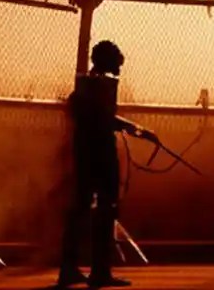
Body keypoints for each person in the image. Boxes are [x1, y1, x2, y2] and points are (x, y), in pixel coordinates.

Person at [56, 40, 157, 289]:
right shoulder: (99, 86)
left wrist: (131, 128)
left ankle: (69, 269)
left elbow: (98, 116)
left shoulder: (85, 86)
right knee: (105, 210)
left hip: (85, 153)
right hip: (99, 154)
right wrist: (133, 128)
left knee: (80, 208)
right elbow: (102, 118)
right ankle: (99, 272)